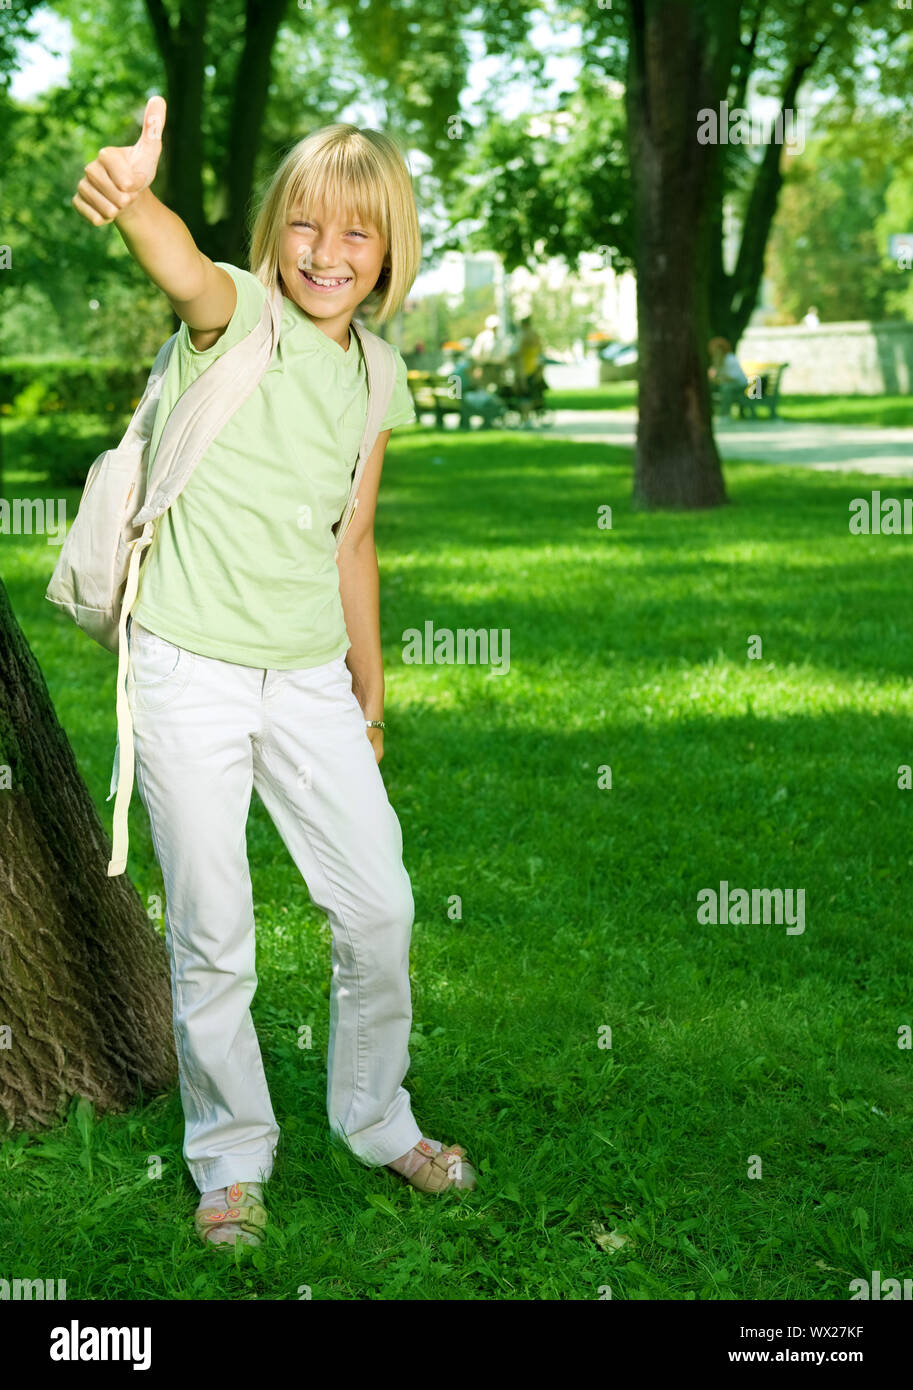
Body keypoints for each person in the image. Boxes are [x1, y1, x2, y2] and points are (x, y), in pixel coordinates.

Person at [72, 95, 476, 1249]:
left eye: (356, 233)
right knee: (214, 929)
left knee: (380, 906)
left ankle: (374, 1116)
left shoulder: (380, 372)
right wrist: (137, 197)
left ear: (388, 249)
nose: (326, 253)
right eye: (306, 225)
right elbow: (183, 270)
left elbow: (354, 538)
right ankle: (232, 1160)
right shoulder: (238, 313)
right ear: (275, 232)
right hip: (187, 667)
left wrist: (373, 692)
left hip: (307, 680)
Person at [708, 336, 749, 417]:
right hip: (733, 385)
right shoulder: (720, 360)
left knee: (726, 388)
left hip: (742, 385)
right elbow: (713, 375)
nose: (715, 353)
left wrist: (719, 377)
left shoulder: (730, 359)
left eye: (716, 351)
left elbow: (733, 378)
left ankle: (725, 414)